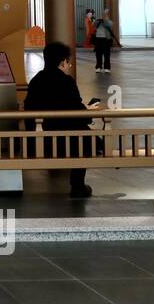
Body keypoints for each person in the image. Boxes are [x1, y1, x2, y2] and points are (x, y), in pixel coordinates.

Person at [24, 41, 98, 198]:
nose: (68, 66)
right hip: (66, 141)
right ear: (63, 61)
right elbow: (78, 115)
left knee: (82, 135)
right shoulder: (67, 82)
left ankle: (78, 185)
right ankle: (77, 185)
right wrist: (87, 111)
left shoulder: (36, 81)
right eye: (68, 62)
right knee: (86, 137)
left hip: (37, 141)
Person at [91, 8, 114, 73]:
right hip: (98, 39)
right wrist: (97, 20)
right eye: (103, 14)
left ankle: (107, 68)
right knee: (98, 54)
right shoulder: (98, 20)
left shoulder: (109, 21)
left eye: (105, 14)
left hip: (106, 39)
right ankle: (98, 67)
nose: (103, 15)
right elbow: (93, 25)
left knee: (107, 54)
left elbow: (110, 25)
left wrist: (105, 19)